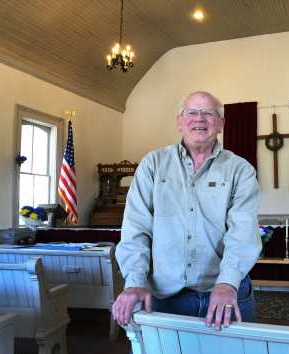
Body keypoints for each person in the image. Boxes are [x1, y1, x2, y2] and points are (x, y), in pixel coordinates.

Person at [112, 91, 261, 331]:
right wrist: (134, 281)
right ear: (179, 122)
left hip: (226, 293)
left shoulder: (240, 170)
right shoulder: (153, 164)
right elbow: (136, 228)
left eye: (208, 113)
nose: (199, 119)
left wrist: (227, 283)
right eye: (191, 112)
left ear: (221, 123)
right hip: (166, 298)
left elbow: (242, 233)